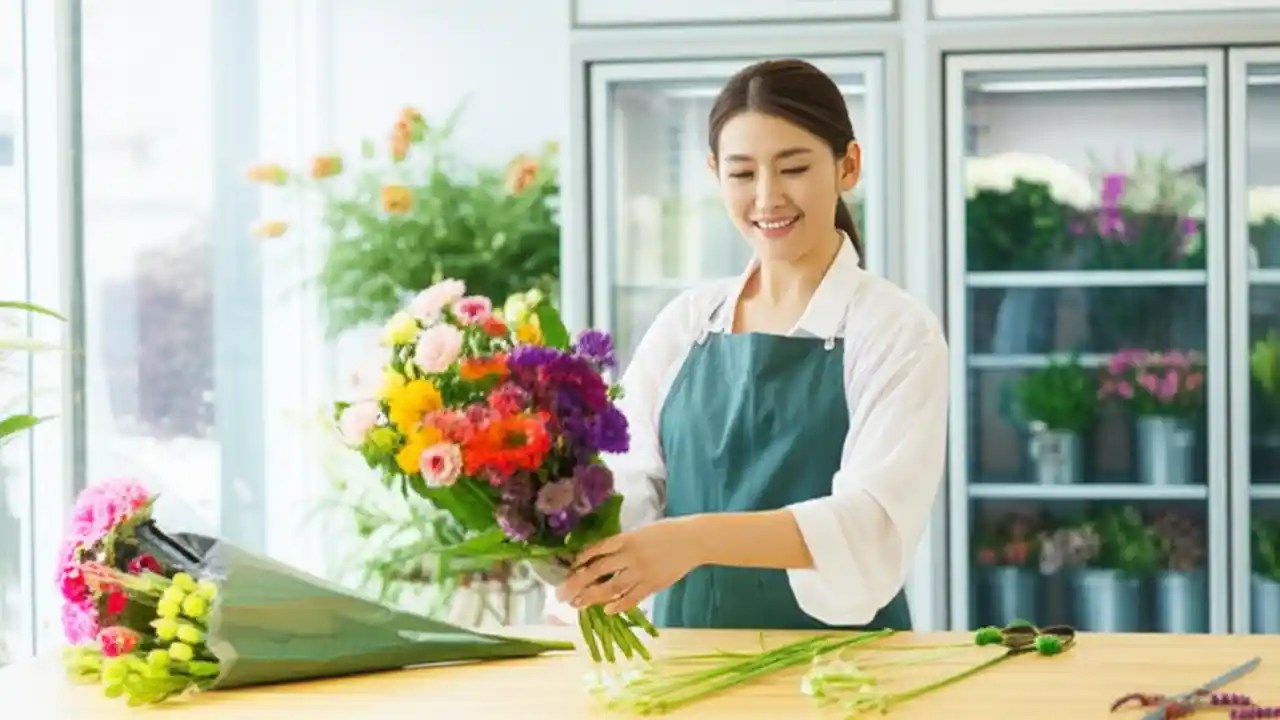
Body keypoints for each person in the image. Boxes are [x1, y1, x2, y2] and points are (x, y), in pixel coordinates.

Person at [549, 58, 949, 631]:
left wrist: (694, 540)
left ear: (848, 165)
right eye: (742, 174)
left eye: (793, 168)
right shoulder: (686, 322)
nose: (767, 198)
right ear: (716, 173)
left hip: (844, 671)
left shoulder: (894, 330)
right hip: (685, 658)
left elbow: (869, 525)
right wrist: (547, 519)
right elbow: (631, 484)